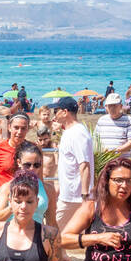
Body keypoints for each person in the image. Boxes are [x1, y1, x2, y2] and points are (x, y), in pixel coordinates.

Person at [0, 142, 57, 228]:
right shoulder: (7, 188)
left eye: (36, 165)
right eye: (27, 165)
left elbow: (51, 222)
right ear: (19, 162)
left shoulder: (48, 189)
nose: (32, 169)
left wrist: (56, 239)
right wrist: (13, 207)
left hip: (37, 238)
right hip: (12, 237)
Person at [53, 96, 93, 234]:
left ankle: (55, 254)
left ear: (65, 112)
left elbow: (85, 165)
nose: (54, 114)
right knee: (60, 231)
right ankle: (61, 254)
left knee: (54, 230)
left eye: (56, 111)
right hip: (69, 193)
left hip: (74, 195)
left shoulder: (78, 133)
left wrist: (84, 194)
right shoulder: (70, 131)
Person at [94, 93, 131, 158]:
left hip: (122, 161)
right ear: (106, 107)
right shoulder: (101, 120)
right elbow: (95, 140)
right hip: (103, 160)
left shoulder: (128, 120)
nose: (112, 108)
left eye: (114, 105)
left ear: (120, 106)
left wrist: (115, 151)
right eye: (110, 106)